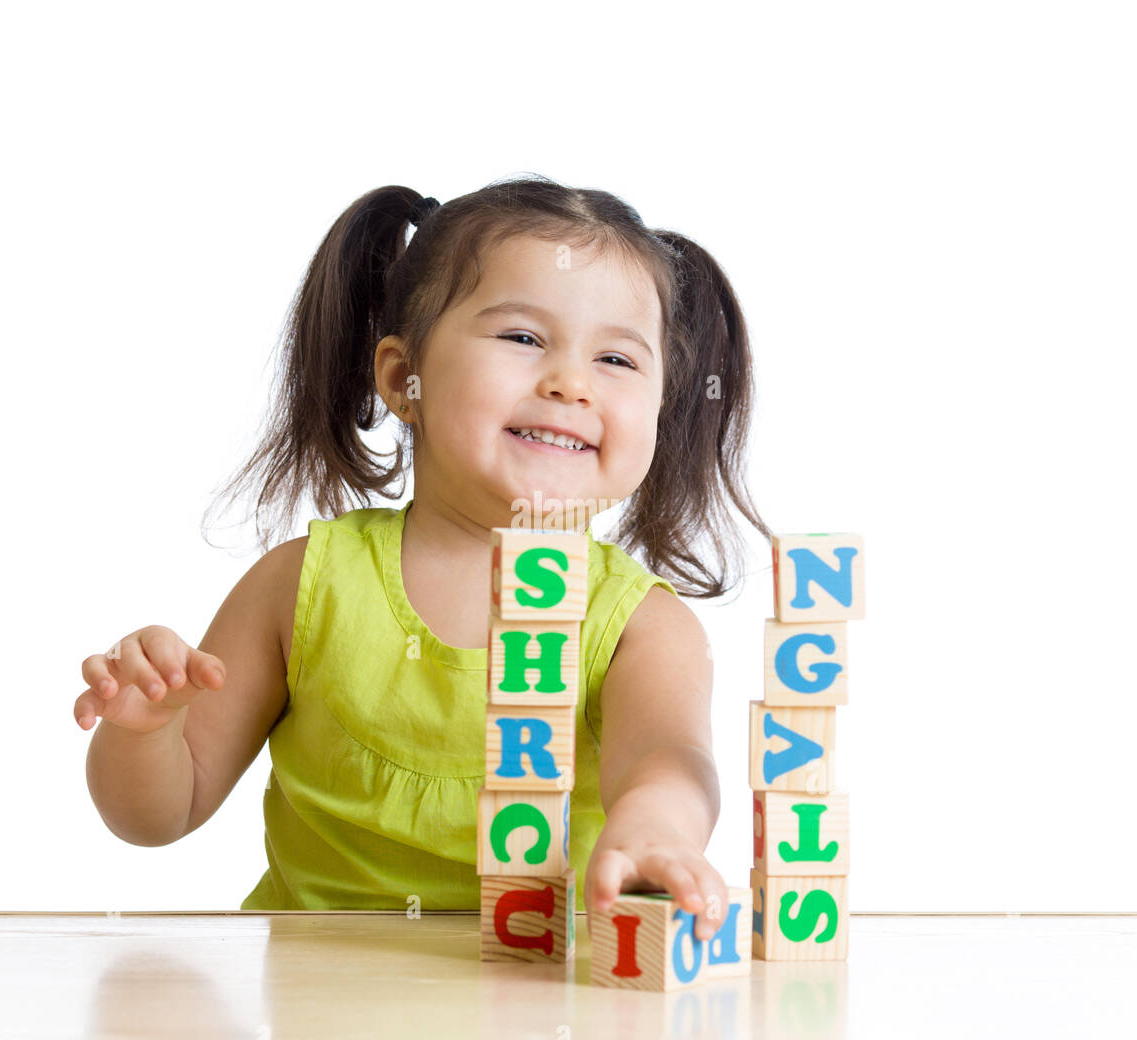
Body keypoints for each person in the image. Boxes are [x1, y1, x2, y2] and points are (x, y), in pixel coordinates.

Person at [76, 175, 773, 942]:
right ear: (401, 380)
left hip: (537, 1011)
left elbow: (670, 760)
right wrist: (143, 730)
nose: (571, 382)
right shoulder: (304, 585)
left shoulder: (642, 625)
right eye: (522, 338)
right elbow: (158, 815)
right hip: (310, 1009)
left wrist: (655, 833)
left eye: (617, 359)